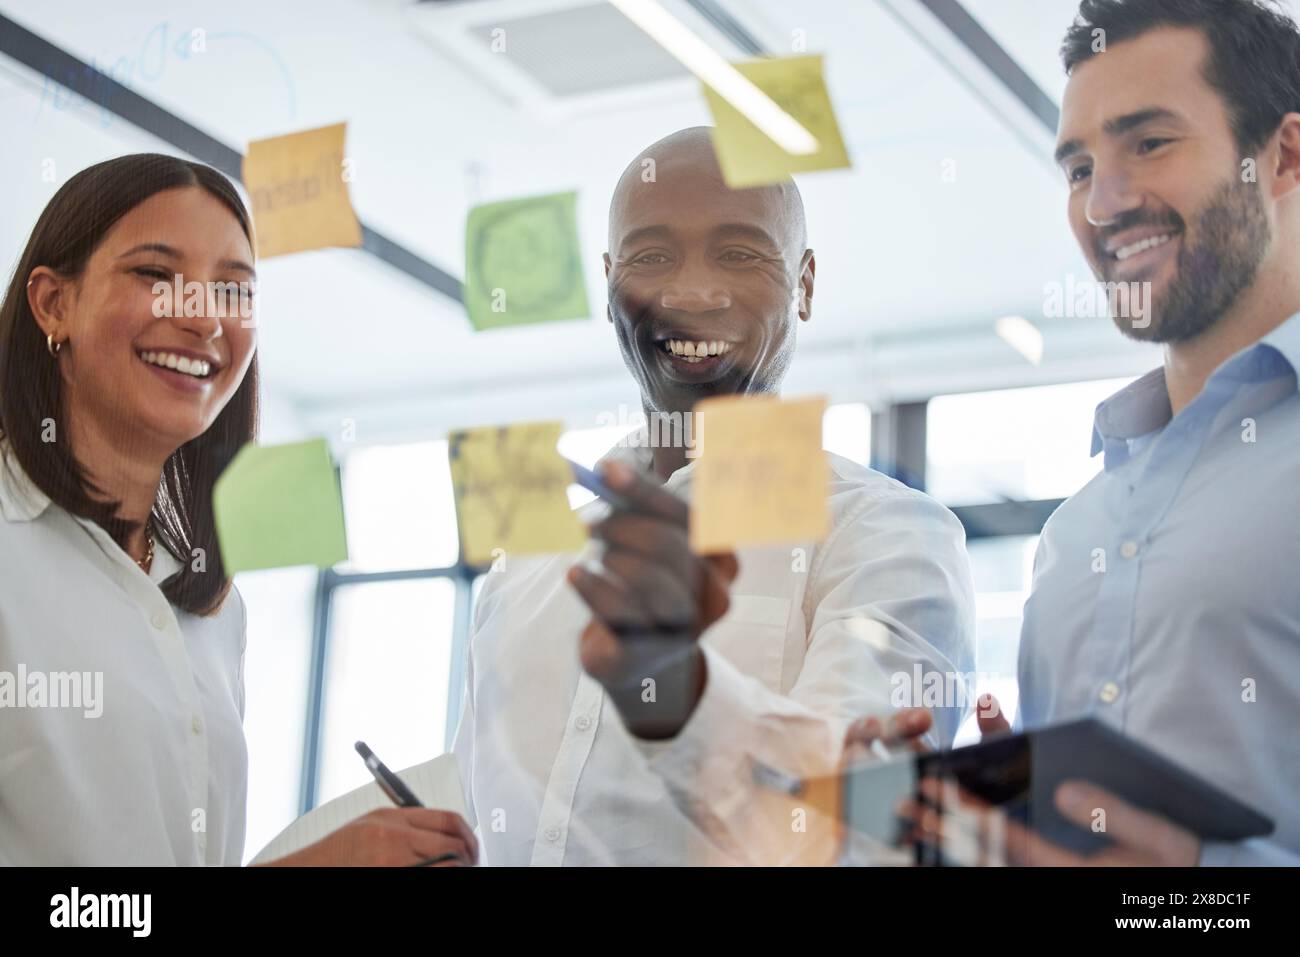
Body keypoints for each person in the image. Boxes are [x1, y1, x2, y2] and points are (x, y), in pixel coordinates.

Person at [453, 127, 976, 866]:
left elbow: (851, 835)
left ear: (806, 283)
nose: (692, 291)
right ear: (609, 284)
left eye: (738, 253)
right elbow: (475, 824)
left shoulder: (889, 534)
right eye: (652, 256)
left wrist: (680, 687)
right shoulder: (524, 570)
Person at [883, 0, 1300, 866]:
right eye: (1078, 166)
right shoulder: (1080, 530)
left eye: (1148, 143)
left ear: (1284, 158)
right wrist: (986, 823)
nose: (1102, 203)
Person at [0, 154, 476, 866]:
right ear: (52, 304)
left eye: (233, 290)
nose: (201, 318)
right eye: (156, 276)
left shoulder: (211, 609)